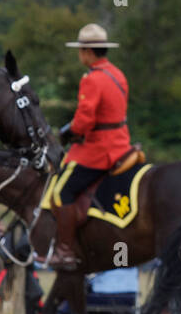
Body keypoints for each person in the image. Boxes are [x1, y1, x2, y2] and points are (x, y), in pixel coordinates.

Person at [49, 23, 131, 269]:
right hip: (121, 143)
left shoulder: (92, 79)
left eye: (80, 50)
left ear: (87, 51)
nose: (79, 55)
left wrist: (67, 133)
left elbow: (85, 120)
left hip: (99, 149)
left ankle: (64, 250)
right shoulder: (117, 74)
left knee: (59, 190)